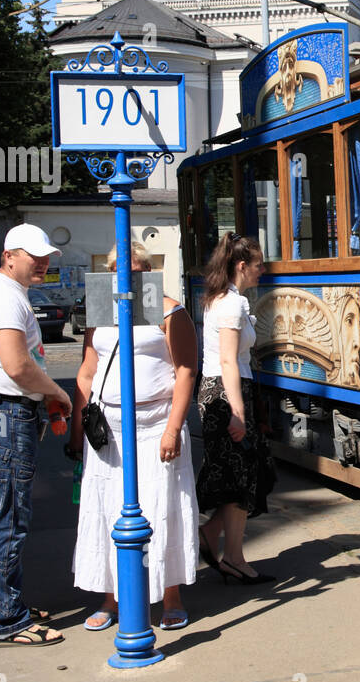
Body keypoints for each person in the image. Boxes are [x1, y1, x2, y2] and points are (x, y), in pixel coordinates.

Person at [68, 242, 199, 631]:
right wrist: (78, 427)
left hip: (155, 422)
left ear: (148, 271)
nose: (127, 276)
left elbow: (186, 371)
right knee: (108, 508)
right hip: (109, 429)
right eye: (118, 270)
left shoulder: (171, 310)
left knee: (163, 506)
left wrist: (173, 427)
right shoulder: (100, 309)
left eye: (136, 270)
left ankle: (170, 595)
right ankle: (111, 597)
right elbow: (88, 372)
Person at [0, 223, 72, 647]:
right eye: (34, 256)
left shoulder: (5, 292)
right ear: (9, 255)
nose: (42, 263)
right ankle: (7, 619)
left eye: (45, 256)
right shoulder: (5, 299)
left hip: (3, 411)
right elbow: (17, 367)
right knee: (8, 518)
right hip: (6, 413)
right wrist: (57, 391)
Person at [195, 232, 276, 585]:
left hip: (226, 390)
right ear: (242, 266)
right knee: (242, 477)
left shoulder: (226, 299)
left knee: (238, 478)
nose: (262, 271)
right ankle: (234, 557)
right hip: (226, 393)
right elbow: (228, 360)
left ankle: (214, 540)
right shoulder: (230, 304)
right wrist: (239, 413)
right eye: (259, 265)